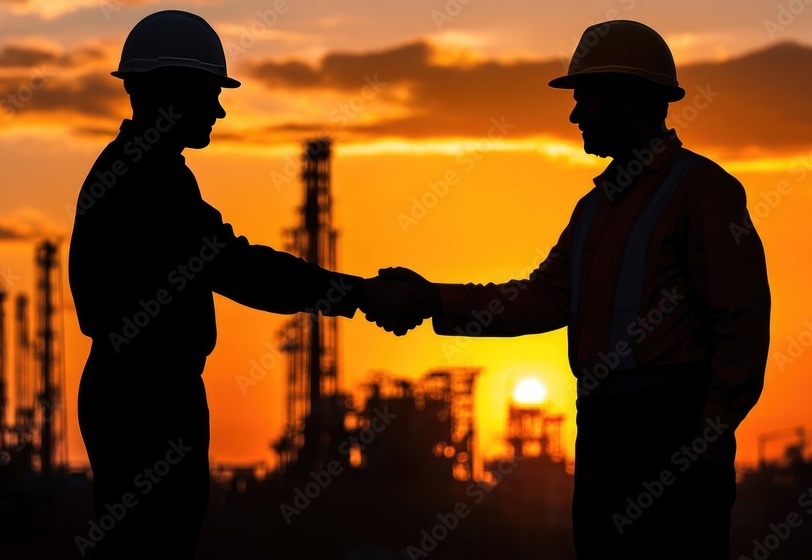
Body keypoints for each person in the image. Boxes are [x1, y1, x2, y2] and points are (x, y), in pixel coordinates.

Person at [369, 19, 771, 559]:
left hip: (670, 430)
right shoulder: (595, 209)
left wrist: (709, 433)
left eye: (585, 98)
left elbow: (741, 319)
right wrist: (433, 299)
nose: (574, 114)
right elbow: (542, 298)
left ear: (626, 98)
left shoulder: (704, 191)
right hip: (605, 429)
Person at [67, 10, 422, 559]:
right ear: (168, 89)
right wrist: (358, 294)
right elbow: (238, 269)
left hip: (134, 390)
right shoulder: (148, 181)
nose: (219, 107)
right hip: (148, 399)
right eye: (208, 91)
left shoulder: (136, 170)